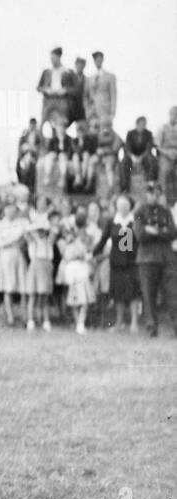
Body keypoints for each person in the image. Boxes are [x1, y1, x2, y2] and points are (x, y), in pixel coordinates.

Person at [133, 180, 177, 337]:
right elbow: (140, 235)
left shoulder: (166, 212)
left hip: (166, 258)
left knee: (172, 294)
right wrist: (159, 231)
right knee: (148, 295)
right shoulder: (139, 212)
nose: (154, 195)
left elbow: (173, 233)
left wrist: (154, 231)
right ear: (146, 194)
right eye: (151, 192)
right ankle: (152, 327)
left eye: (157, 192)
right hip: (147, 259)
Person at [94, 193, 139, 333]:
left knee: (133, 293)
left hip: (132, 262)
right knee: (118, 294)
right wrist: (94, 252)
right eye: (120, 205)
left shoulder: (135, 221)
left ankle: (134, 323)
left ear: (130, 206)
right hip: (116, 262)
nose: (122, 208)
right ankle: (119, 322)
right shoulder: (111, 221)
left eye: (125, 205)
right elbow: (103, 239)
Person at [0, 200, 29, 327]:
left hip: (18, 256)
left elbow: (22, 238)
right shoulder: (0, 224)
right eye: (8, 208)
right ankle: (10, 318)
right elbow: (0, 242)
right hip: (5, 257)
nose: (10, 211)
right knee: (7, 287)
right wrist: (13, 240)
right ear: (4, 210)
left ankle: (25, 317)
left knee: (23, 286)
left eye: (13, 208)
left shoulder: (22, 223)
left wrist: (12, 240)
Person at [24, 211, 56, 331]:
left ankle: (45, 320)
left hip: (45, 268)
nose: (41, 232)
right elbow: (26, 232)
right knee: (32, 295)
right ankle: (31, 320)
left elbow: (54, 232)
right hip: (35, 268)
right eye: (39, 230)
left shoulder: (48, 242)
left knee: (44, 295)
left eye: (43, 230)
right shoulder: (33, 242)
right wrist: (34, 225)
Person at [120, 116, 158, 195]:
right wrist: (132, 157)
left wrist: (141, 157)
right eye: (141, 124)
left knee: (152, 160)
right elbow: (127, 146)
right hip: (132, 156)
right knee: (124, 162)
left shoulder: (148, 134)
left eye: (144, 124)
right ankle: (124, 187)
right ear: (137, 124)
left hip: (144, 156)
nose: (143, 126)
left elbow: (149, 147)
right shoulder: (130, 133)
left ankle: (150, 184)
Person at [37, 47, 72, 127]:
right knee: (44, 125)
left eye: (53, 58)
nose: (52, 60)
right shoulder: (46, 72)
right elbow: (38, 87)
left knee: (60, 125)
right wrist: (46, 89)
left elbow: (73, 89)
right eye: (51, 58)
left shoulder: (67, 72)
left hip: (61, 101)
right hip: (48, 100)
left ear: (59, 57)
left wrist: (65, 90)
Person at [83, 51, 117, 133]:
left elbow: (113, 94)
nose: (98, 61)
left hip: (104, 109)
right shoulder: (89, 78)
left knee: (104, 132)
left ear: (102, 60)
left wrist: (112, 112)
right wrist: (87, 109)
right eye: (96, 60)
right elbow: (85, 96)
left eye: (99, 59)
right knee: (92, 132)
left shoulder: (110, 76)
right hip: (92, 111)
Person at [157, 106, 177, 205]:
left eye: (176, 115)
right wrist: (167, 153)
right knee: (165, 170)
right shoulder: (163, 128)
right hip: (165, 154)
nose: (175, 117)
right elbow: (157, 145)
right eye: (173, 114)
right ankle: (163, 195)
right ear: (170, 115)